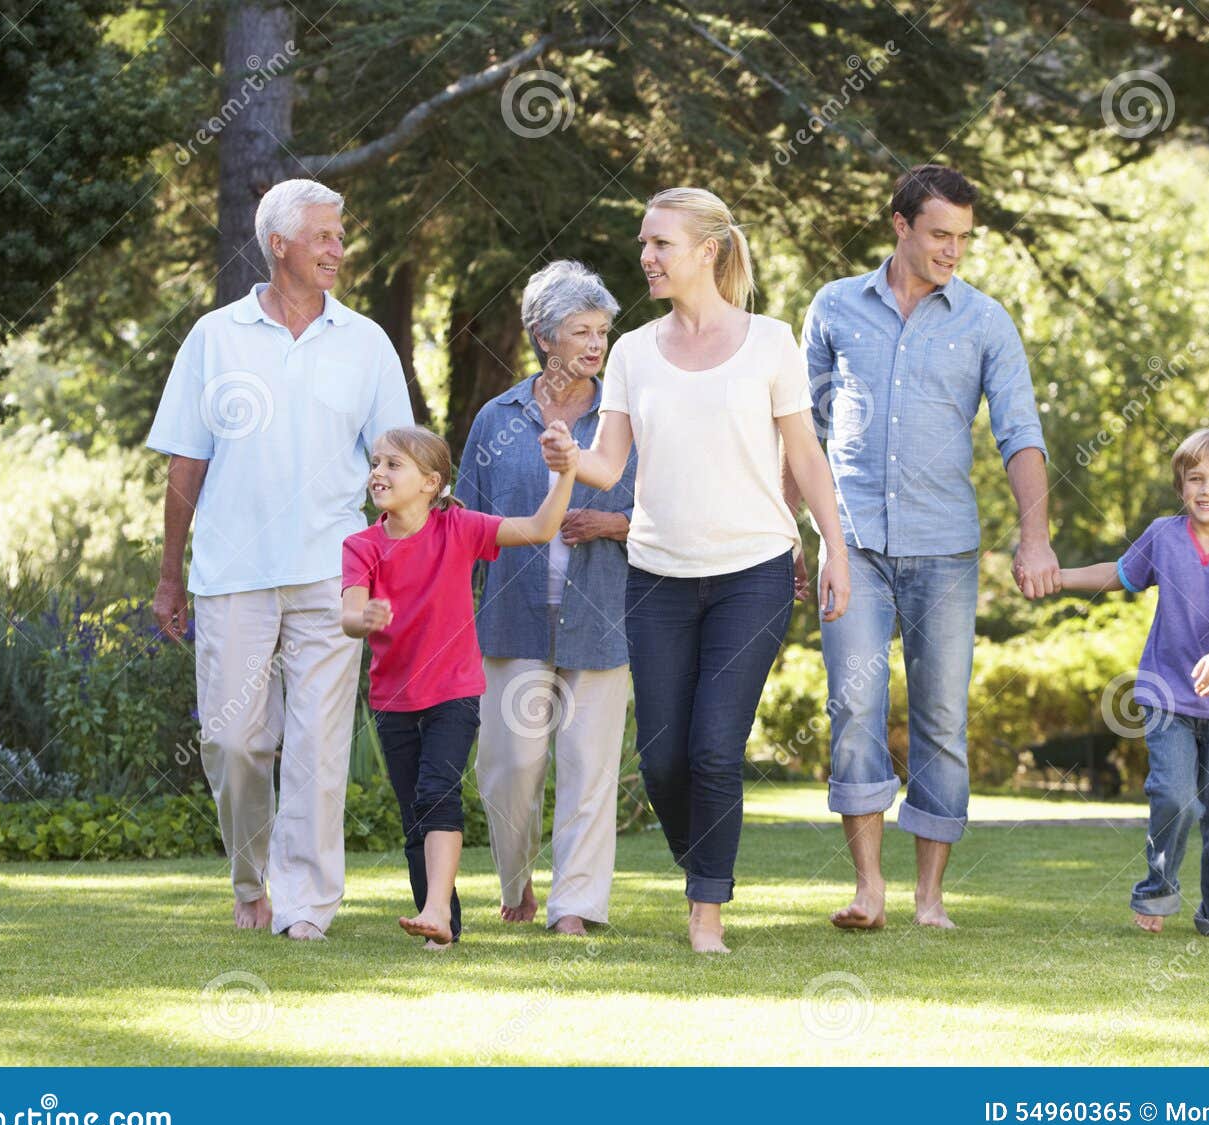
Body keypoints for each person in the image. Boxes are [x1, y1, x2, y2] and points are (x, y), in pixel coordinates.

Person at [542, 187, 850, 953]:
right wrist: (568, 458)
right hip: (657, 575)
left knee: (715, 747)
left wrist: (834, 547)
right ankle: (705, 857)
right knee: (662, 758)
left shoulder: (772, 341)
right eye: (643, 244)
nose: (645, 257)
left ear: (708, 250)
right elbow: (609, 465)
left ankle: (705, 907)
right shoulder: (634, 352)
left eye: (660, 245)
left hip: (753, 572)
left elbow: (806, 457)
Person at [147, 178, 412, 940]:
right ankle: (250, 876)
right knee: (236, 741)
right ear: (280, 245)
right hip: (231, 573)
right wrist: (170, 575)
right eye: (325, 236)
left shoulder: (365, 342)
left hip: (333, 572)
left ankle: (304, 907)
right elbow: (184, 467)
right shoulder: (215, 336)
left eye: (341, 234)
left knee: (321, 748)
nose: (339, 248)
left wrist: (394, 564)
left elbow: (397, 462)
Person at [796, 164, 1058, 932]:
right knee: (854, 708)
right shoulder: (836, 306)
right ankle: (869, 887)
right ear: (900, 225)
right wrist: (798, 534)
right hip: (852, 548)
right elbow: (798, 429)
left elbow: (1020, 433)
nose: (953, 250)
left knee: (942, 719)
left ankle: (930, 897)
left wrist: (1034, 536)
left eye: (964, 238)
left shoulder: (985, 321)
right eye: (940, 234)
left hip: (945, 550)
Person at [341, 424, 579, 948]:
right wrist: (366, 618)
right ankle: (442, 923)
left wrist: (564, 475)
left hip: (454, 691)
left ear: (431, 482)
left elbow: (541, 529)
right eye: (376, 463)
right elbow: (350, 615)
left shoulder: (460, 528)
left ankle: (434, 913)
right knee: (413, 818)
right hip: (393, 699)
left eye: (393, 465)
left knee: (436, 794)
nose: (378, 472)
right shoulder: (361, 545)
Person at [456, 261, 637, 936]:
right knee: (510, 766)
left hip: (601, 615)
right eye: (579, 330)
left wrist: (611, 523)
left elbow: (669, 515)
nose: (595, 344)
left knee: (591, 767)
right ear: (543, 335)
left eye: (602, 331)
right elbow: (464, 525)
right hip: (509, 618)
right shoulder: (496, 419)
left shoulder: (626, 417)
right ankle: (516, 879)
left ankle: (575, 907)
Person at [1055, 429, 1209, 936]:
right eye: (1195, 478)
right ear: (1181, 486)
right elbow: (1122, 574)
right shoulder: (1164, 535)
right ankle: (1157, 895)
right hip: (1168, 697)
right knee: (1173, 797)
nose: (1208, 489)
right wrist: (1058, 577)